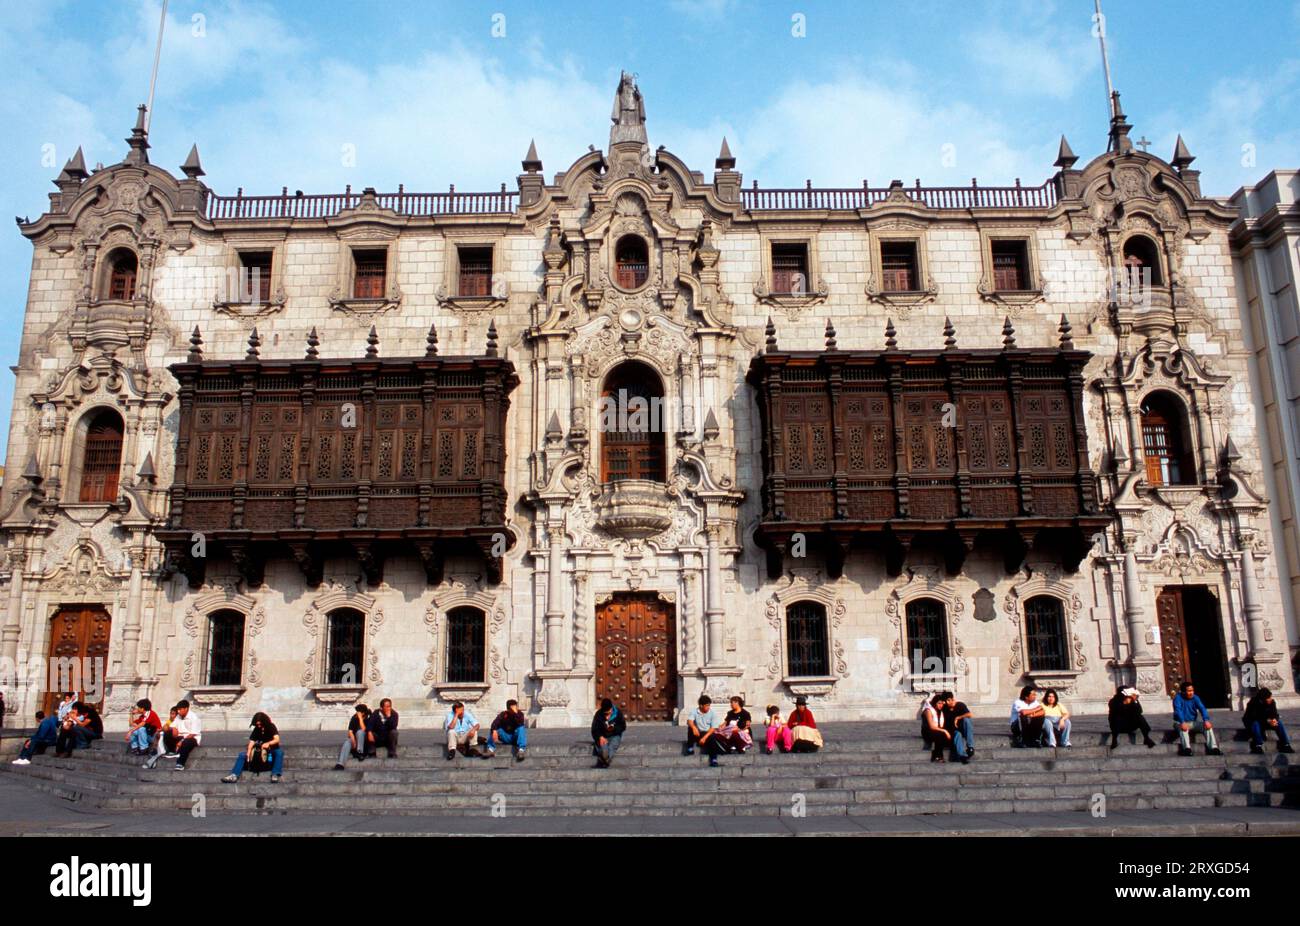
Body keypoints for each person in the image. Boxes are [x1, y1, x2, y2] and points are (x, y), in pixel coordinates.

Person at [223, 712, 284, 783]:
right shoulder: (257, 729)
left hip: (271, 750)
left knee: (279, 753)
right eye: (257, 724)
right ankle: (234, 775)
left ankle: (275, 774)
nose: (258, 726)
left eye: (260, 724)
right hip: (259, 751)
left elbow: (277, 739)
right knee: (242, 755)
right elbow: (252, 741)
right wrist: (248, 752)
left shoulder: (271, 726)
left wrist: (268, 743)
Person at [1172, 682, 1222, 757]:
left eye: (1192, 690)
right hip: (1179, 722)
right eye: (1189, 691)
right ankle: (1187, 749)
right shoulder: (1178, 698)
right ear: (1183, 692)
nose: (1191, 693)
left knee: (1207, 727)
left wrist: (1206, 720)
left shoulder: (1195, 698)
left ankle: (1213, 748)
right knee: (1183, 729)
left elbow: (1202, 708)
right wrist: (1182, 722)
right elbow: (1178, 710)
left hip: (1193, 722)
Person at [1243, 688, 1293, 754]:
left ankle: (1286, 744)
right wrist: (1267, 720)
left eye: (1270, 697)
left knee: (1279, 723)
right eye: (1268, 698)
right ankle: (1258, 746)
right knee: (1255, 724)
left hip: (1267, 722)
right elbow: (1253, 716)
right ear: (1262, 699)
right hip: (1254, 722)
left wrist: (1274, 719)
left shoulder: (1272, 702)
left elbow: (1275, 713)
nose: (1270, 699)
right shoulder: (1253, 702)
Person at [162, 700, 202, 770]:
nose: (178, 711)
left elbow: (193, 733)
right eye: (178, 709)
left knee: (186, 742)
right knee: (167, 733)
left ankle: (180, 763)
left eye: (180, 709)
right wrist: (171, 728)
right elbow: (172, 726)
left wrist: (182, 741)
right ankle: (172, 751)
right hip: (180, 736)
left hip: (191, 738)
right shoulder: (178, 717)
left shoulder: (194, 718)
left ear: (186, 709)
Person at [334, 704, 373, 770]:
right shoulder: (354, 718)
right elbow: (350, 732)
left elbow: (364, 729)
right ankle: (340, 764)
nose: (357, 713)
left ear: (363, 713)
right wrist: (353, 741)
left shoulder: (369, 718)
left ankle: (360, 752)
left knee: (360, 732)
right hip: (355, 740)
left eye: (359, 712)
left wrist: (360, 718)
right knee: (347, 742)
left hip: (365, 741)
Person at [686, 695, 722, 765]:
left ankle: (714, 759)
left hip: (707, 734)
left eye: (709, 705)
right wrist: (694, 727)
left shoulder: (713, 713)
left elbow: (713, 728)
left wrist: (704, 738)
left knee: (712, 738)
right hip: (698, 733)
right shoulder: (694, 711)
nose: (708, 707)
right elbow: (689, 721)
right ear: (701, 705)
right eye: (707, 705)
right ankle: (690, 747)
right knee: (690, 728)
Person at [591, 697, 626, 768]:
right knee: (603, 748)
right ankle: (605, 759)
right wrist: (600, 737)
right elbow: (594, 729)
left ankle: (603, 760)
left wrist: (614, 728)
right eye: (605, 714)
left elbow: (623, 726)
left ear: (611, 708)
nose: (607, 717)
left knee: (613, 745)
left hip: (615, 735)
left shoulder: (618, 713)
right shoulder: (598, 714)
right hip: (603, 736)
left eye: (609, 713)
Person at [943, 691, 975, 762]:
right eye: (946, 701)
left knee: (966, 720)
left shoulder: (960, 705)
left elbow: (969, 714)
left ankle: (970, 747)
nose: (948, 702)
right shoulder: (945, 709)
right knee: (958, 734)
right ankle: (962, 755)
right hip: (953, 731)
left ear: (952, 699)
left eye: (949, 700)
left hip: (963, 729)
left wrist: (958, 718)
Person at [921, 693, 951, 762]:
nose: (941, 705)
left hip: (937, 731)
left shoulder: (940, 711)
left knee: (944, 735)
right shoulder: (928, 710)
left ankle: (936, 754)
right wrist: (945, 731)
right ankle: (938, 756)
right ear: (935, 703)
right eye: (939, 703)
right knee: (940, 735)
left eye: (942, 704)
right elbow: (931, 726)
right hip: (927, 731)